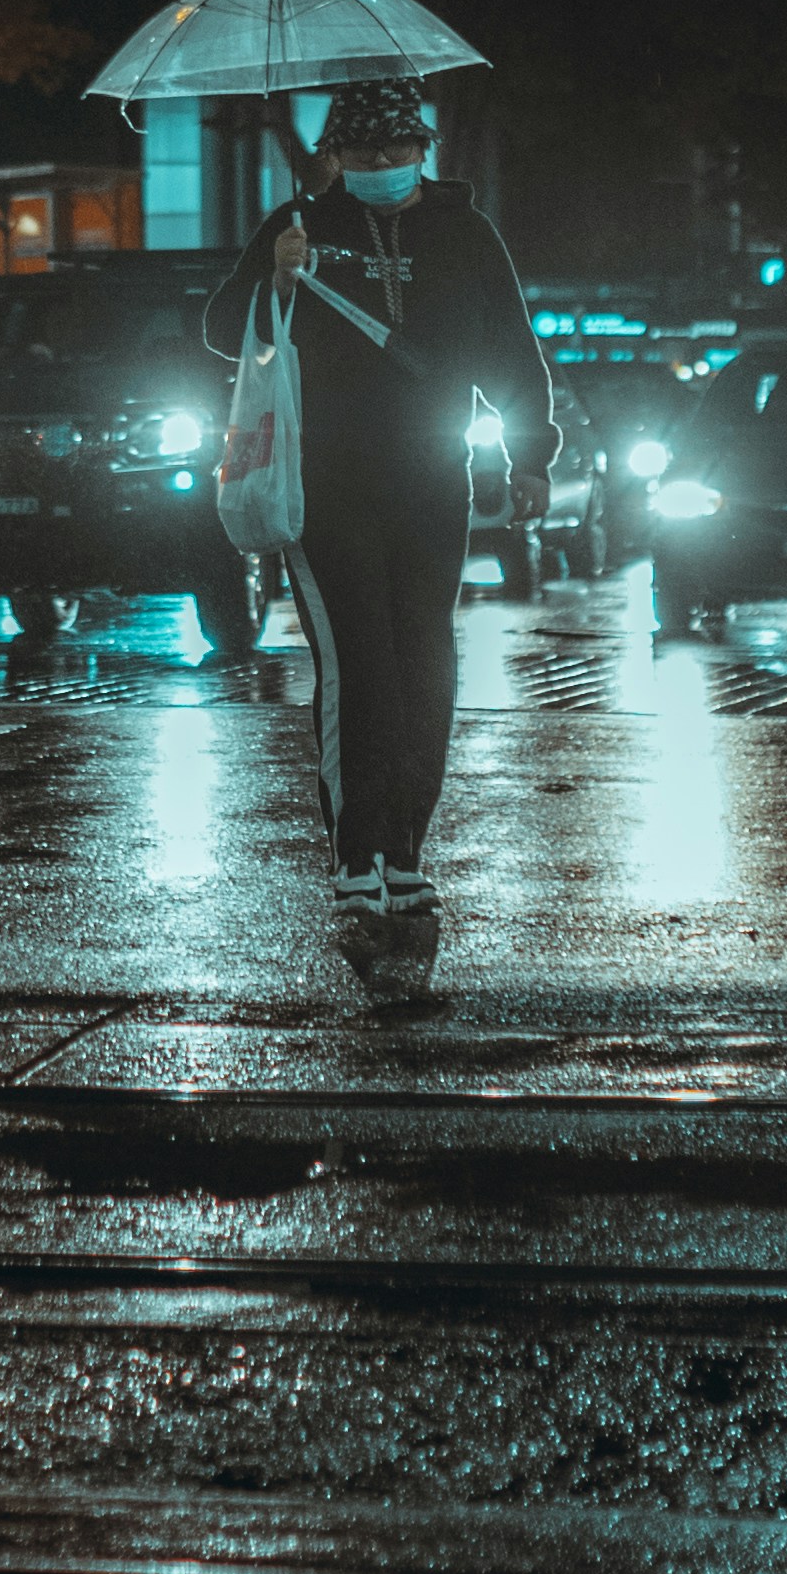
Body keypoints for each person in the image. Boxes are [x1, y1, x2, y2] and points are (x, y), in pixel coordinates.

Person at [204, 73, 557, 932]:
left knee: (423, 664)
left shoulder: (464, 232)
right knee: (357, 662)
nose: (381, 163)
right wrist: (275, 284)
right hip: (324, 486)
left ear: (422, 148)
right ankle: (355, 853)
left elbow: (512, 351)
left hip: (432, 482)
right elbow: (221, 328)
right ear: (333, 154)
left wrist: (529, 455)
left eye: (396, 149)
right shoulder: (297, 228)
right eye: (361, 151)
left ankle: (405, 852)